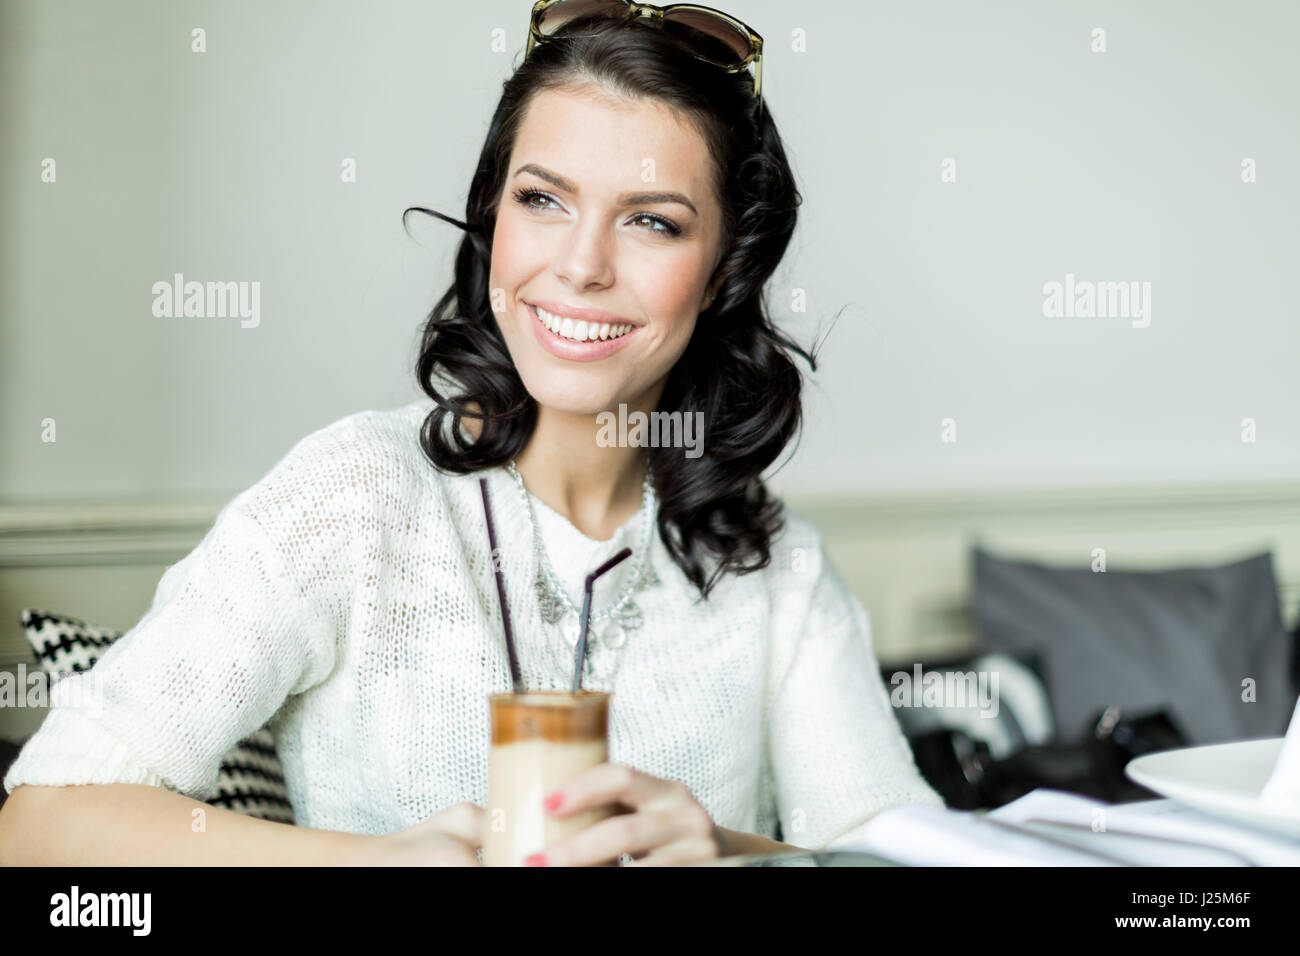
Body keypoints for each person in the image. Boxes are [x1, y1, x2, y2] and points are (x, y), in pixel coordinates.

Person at [0, 2, 942, 866]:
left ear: (725, 269)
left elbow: (891, 856)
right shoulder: (354, 496)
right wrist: (374, 868)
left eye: (651, 221)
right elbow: (43, 821)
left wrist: (731, 853)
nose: (579, 266)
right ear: (493, 217)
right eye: (543, 199)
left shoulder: (772, 565)